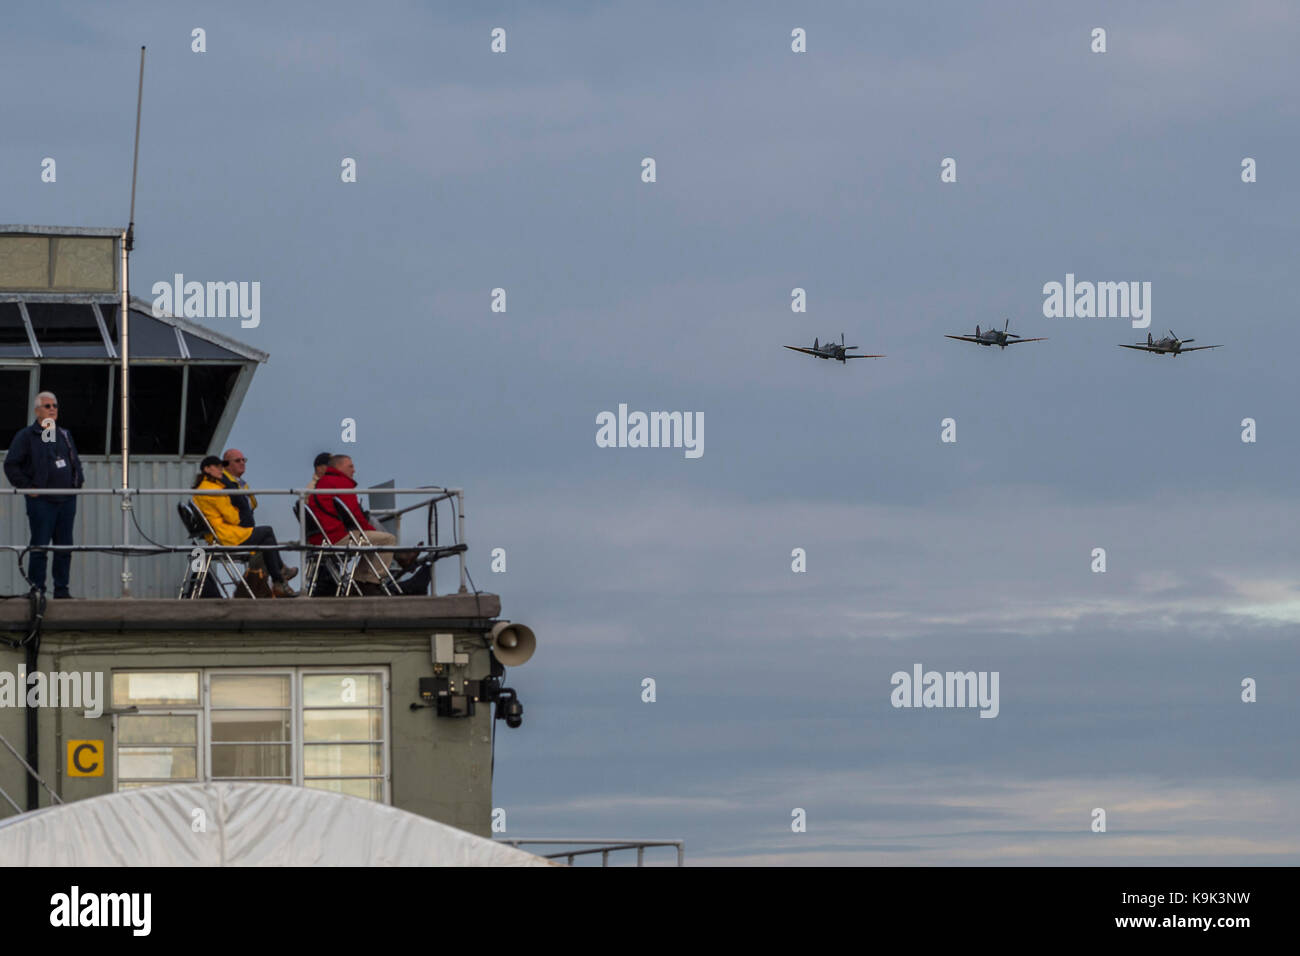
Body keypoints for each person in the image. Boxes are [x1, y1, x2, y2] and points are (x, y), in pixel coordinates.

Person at [3, 391, 83, 598]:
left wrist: (77, 482)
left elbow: (73, 460)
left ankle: (61, 590)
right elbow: (11, 465)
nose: (52, 409)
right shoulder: (26, 436)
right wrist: (28, 488)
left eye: (55, 405)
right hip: (42, 502)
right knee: (40, 545)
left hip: (66, 500)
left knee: (64, 547)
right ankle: (37, 589)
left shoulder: (64, 434)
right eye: (47, 406)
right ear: (37, 410)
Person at [192, 456, 298, 597]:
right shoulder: (213, 489)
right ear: (206, 469)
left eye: (221, 466)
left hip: (219, 534)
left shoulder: (203, 488)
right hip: (225, 536)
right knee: (267, 532)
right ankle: (280, 576)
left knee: (266, 538)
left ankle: (279, 578)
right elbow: (233, 518)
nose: (220, 469)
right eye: (217, 466)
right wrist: (237, 509)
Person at [309, 454, 398, 595]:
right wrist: (372, 531)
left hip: (320, 538)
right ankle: (367, 582)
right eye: (350, 466)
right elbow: (355, 516)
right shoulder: (341, 484)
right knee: (387, 539)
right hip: (336, 538)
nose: (354, 470)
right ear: (339, 467)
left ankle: (361, 580)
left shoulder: (322, 483)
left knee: (374, 539)